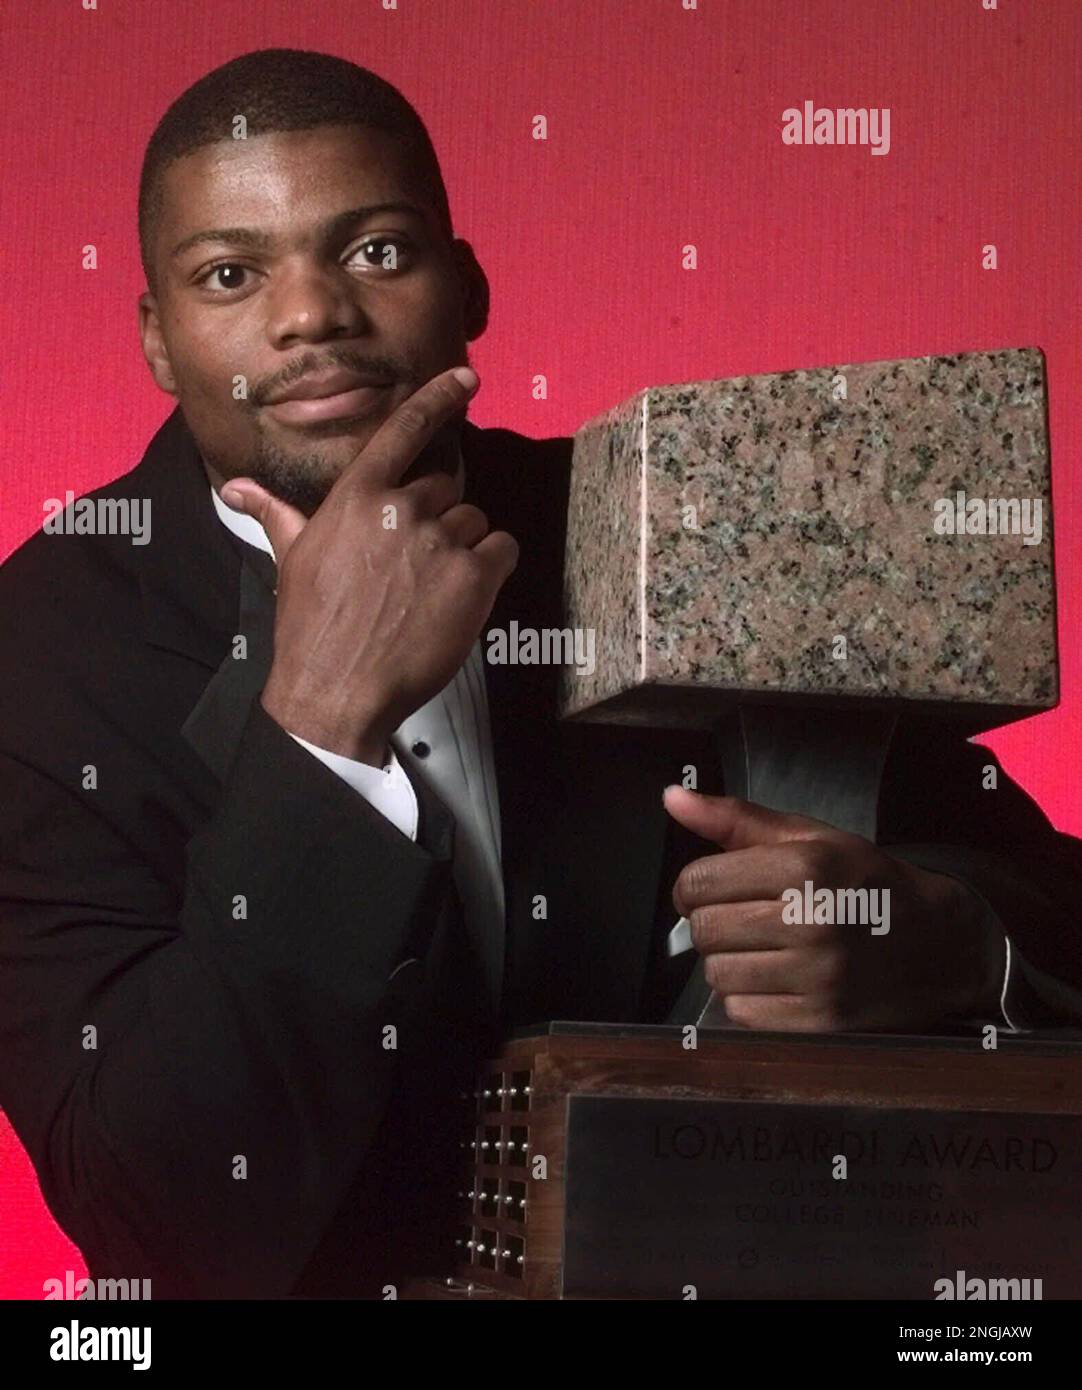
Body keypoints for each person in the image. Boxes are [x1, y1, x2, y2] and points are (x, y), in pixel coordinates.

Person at [1, 48, 1080, 1300]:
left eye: (377, 251)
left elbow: (1031, 887)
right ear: (155, 335)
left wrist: (949, 945)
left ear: (469, 283)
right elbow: (159, 1221)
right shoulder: (36, 661)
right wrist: (315, 725)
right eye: (230, 275)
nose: (311, 318)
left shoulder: (667, 518)